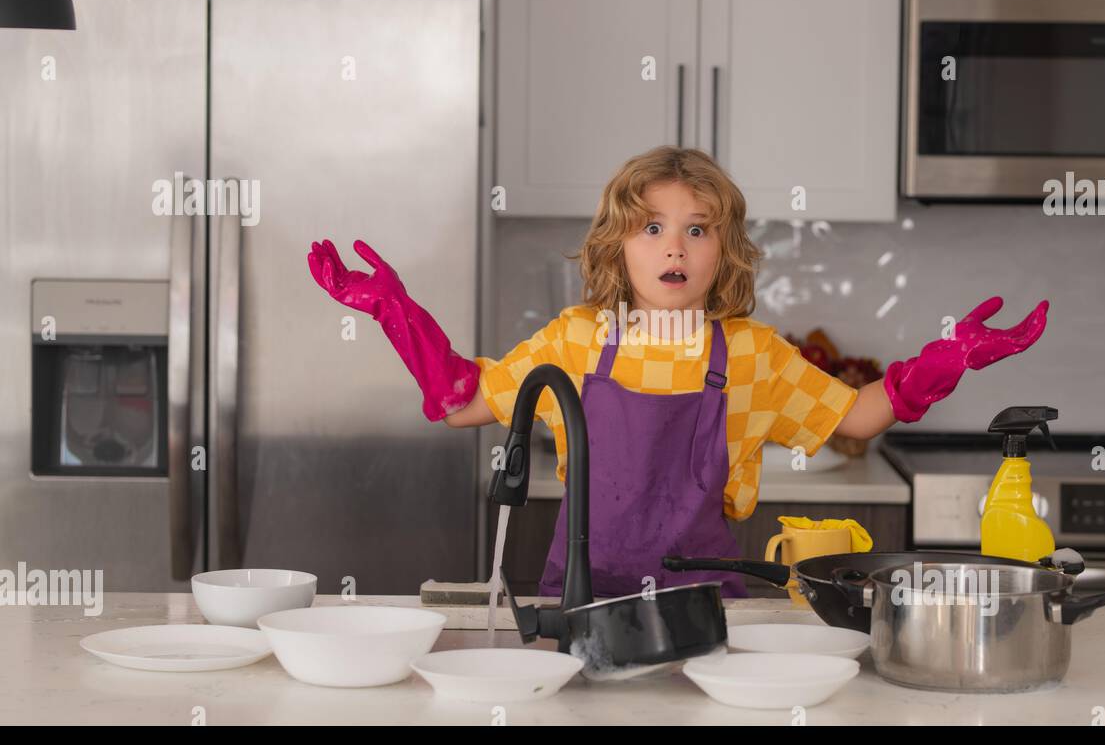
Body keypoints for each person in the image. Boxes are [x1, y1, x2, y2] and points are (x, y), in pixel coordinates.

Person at [307, 146, 1048, 599]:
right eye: (652, 227)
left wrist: (949, 358)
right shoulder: (576, 340)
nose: (676, 248)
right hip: (582, 607)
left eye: (698, 230)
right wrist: (390, 308)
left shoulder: (751, 355)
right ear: (617, 245)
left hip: (706, 610)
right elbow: (459, 400)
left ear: (723, 252)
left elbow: (857, 417)